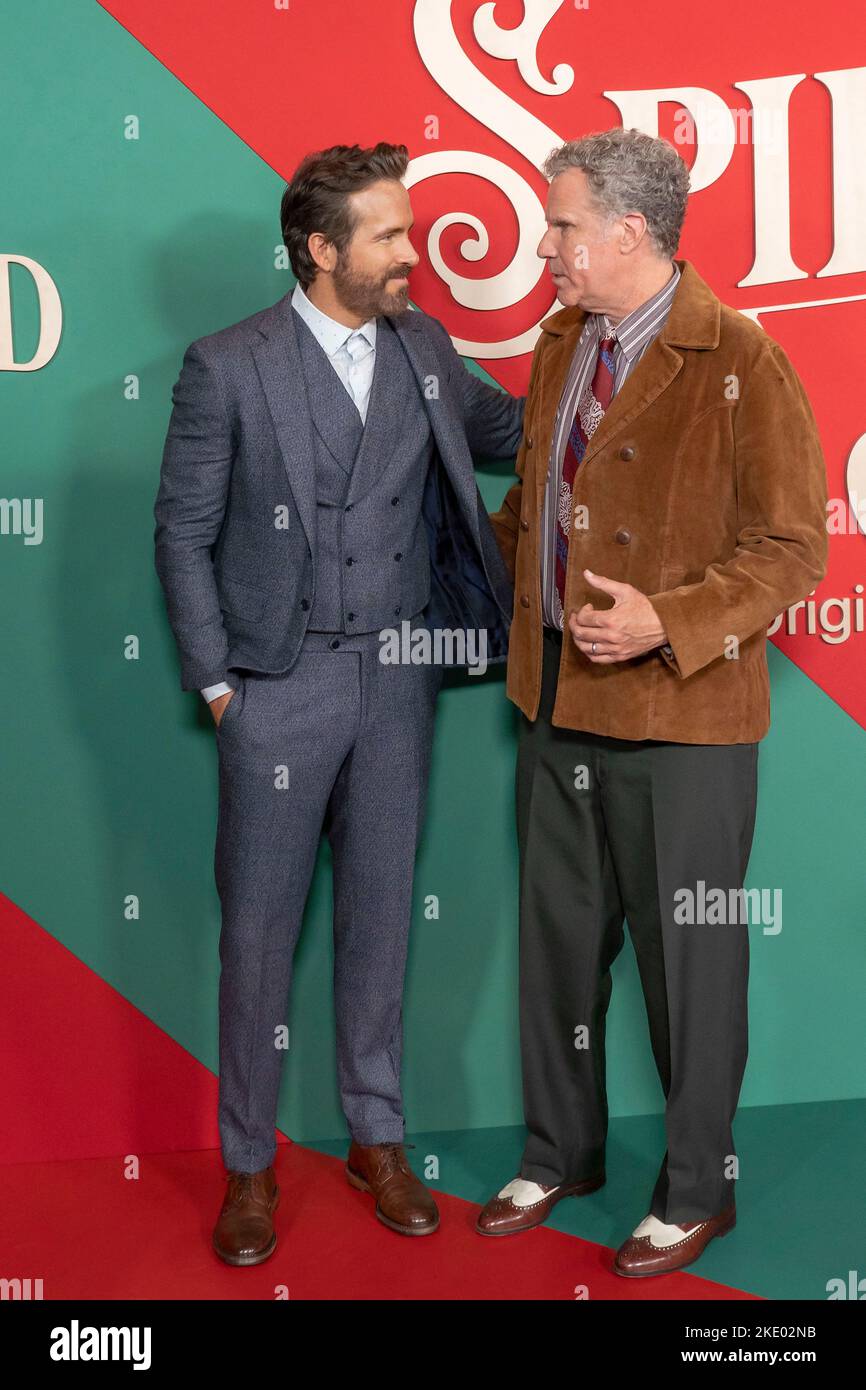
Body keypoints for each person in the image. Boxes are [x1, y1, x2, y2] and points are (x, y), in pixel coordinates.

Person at [154, 141, 524, 1265]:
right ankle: (251, 1166)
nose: (413, 253)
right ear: (321, 250)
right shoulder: (228, 365)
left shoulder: (423, 348)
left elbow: (508, 433)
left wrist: (611, 378)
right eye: (390, 236)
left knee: (378, 919)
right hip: (277, 685)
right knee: (259, 939)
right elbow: (181, 531)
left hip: (398, 678)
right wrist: (221, 684)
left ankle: (377, 1138)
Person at [478, 127, 828, 1276]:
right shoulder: (560, 340)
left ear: (629, 230)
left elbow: (791, 552)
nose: (545, 246)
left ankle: (695, 1189)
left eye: (562, 225)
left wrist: (662, 622)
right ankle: (559, 1149)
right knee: (557, 951)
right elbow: (531, 507)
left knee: (690, 962)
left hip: (682, 724)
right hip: (555, 705)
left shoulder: (738, 355)